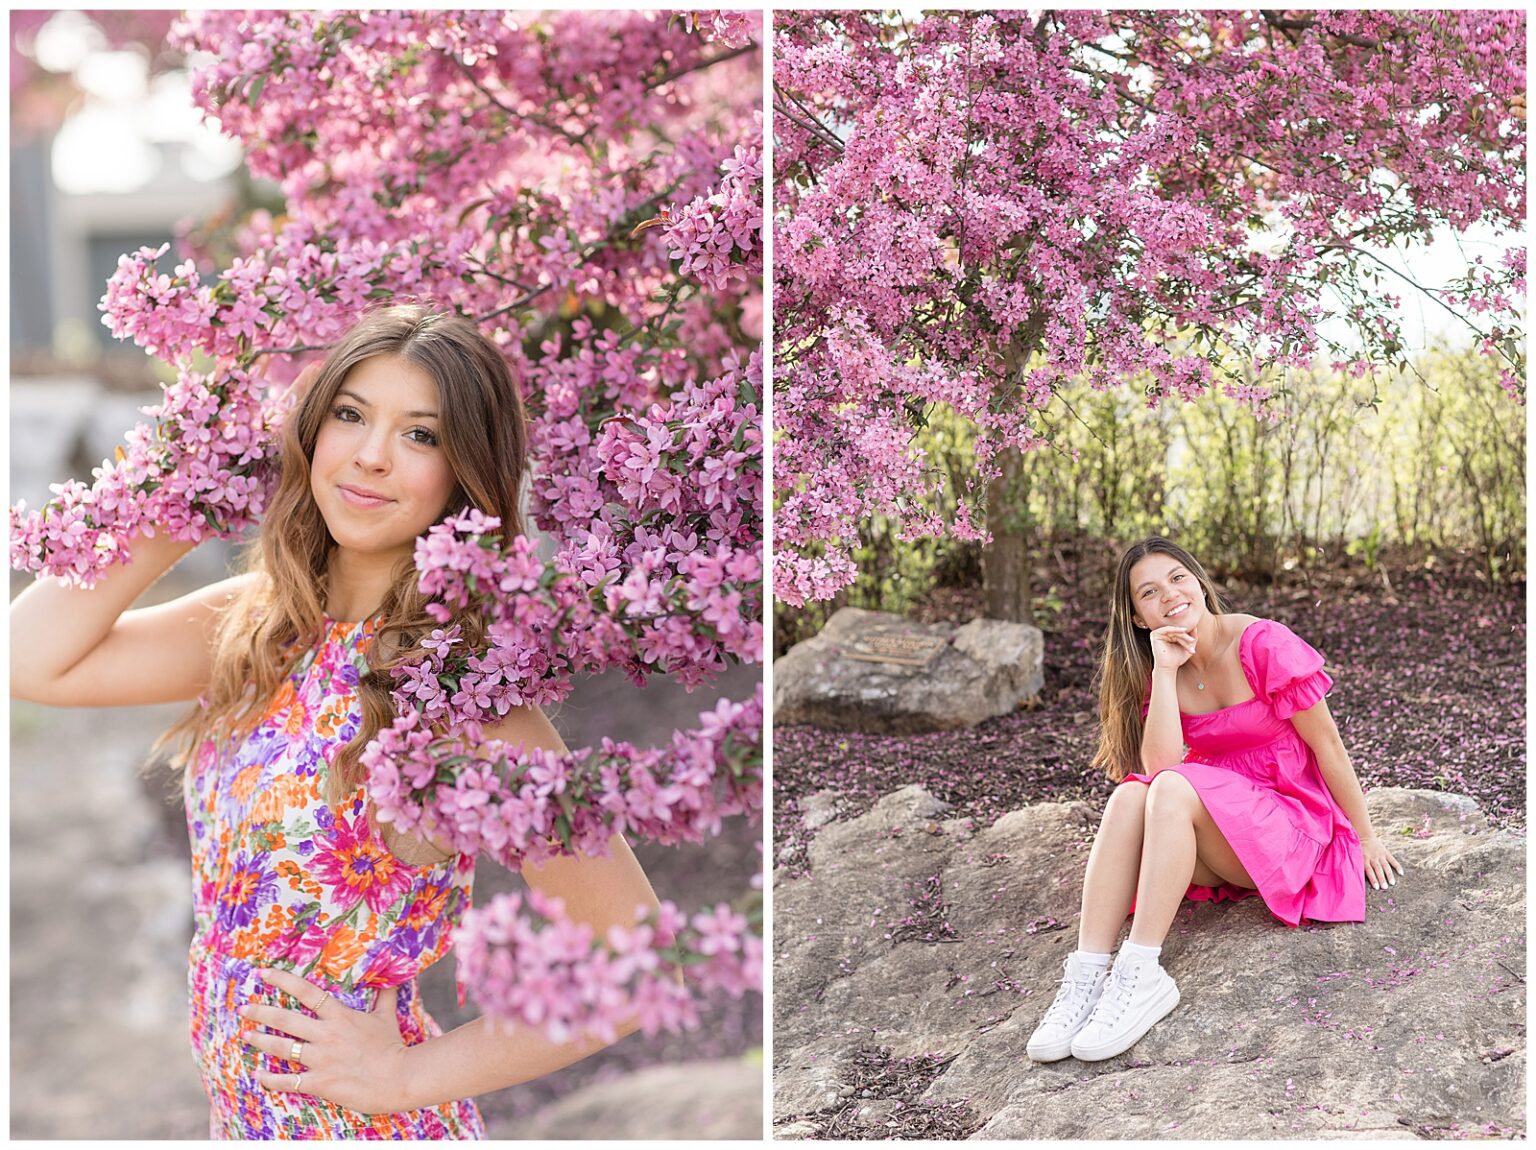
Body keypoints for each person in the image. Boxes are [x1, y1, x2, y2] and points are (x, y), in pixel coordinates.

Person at [11, 306, 665, 1138]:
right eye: (350, 415)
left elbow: (641, 964)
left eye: (421, 436)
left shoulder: (460, 696)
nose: (371, 455)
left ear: (465, 476)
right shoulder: (261, 624)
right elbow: (29, 658)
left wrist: (403, 1074)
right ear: (312, 432)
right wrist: (191, 491)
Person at [1025, 536, 1404, 1064]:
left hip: (1287, 828)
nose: (1171, 596)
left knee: (1171, 788)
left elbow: (1328, 746)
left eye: (1178, 578)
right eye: (1150, 593)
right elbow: (1157, 769)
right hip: (1216, 830)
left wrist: (1364, 837)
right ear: (1137, 618)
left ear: (1199, 582)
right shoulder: (1159, 666)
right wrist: (1164, 671)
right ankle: (1087, 974)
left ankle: (1141, 970)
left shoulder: (1262, 643)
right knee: (1130, 798)